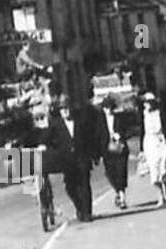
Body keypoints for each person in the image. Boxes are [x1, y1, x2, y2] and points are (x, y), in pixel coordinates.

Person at [50, 93, 107, 222]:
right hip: (67, 161)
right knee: (70, 187)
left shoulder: (81, 122)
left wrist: (95, 155)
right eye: (63, 109)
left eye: (67, 108)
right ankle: (79, 207)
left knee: (84, 185)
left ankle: (87, 213)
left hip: (82, 158)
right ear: (60, 111)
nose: (66, 111)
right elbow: (48, 139)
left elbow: (90, 139)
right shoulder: (56, 125)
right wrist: (44, 146)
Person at [140, 91, 166, 207]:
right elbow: (142, 132)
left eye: (148, 103)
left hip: (161, 142)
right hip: (150, 144)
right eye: (145, 103)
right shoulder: (143, 115)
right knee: (154, 170)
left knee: (164, 169)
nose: (146, 105)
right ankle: (160, 195)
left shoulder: (161, 114)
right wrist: (141, 151)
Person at [99, 95, 131, 209]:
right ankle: (118, 191)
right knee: (110, 174)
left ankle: (122, 198)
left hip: (120, 149)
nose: (108, 110)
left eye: (110, 107)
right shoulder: (100, 121)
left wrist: (120, 135)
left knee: (121, 172)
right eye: (106, 108)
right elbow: (98, 136)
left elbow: (126, 131)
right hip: (107, 151)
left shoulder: (119, 118)